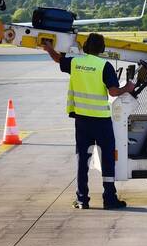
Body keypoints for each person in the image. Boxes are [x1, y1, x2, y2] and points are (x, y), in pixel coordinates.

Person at [44, 33, 135, 210]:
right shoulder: (104, 66)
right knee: (107, 159)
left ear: (85, 47)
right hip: (101, 121)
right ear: (102, 49)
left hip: (82, 120)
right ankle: (109, 199)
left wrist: (48, 47)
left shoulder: (76, 63)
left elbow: (57, 59)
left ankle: (82, 199)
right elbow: (114, 92)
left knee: (82, 160)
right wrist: (128, 88)